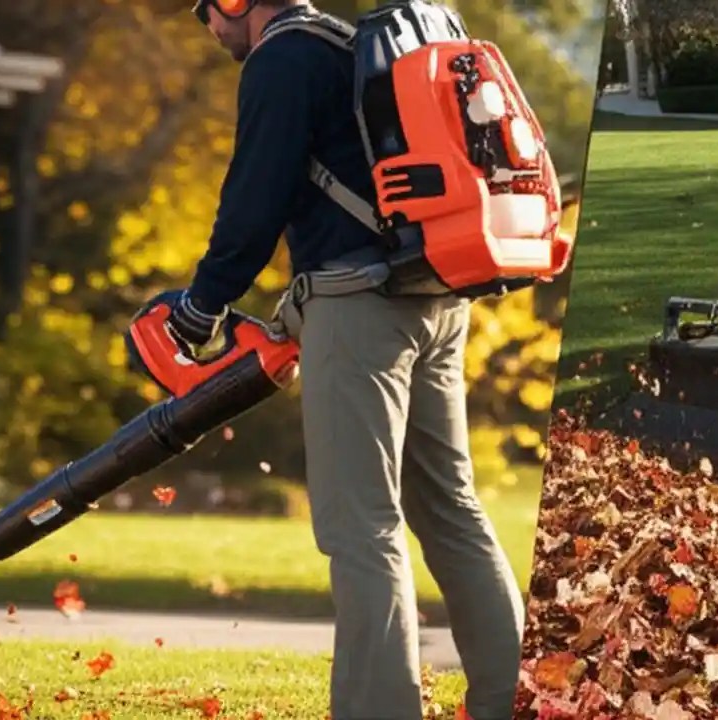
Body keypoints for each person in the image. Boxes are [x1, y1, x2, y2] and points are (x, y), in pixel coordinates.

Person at [167, 2, 525, 718]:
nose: (207, 24)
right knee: (451, 510)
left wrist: (201, 306)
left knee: (361, 527)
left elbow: (253, 203)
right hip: (437, 298)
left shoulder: (280, 60)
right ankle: (513, 699)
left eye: (206, 8)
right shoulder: (350, 48)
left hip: (359, 310)